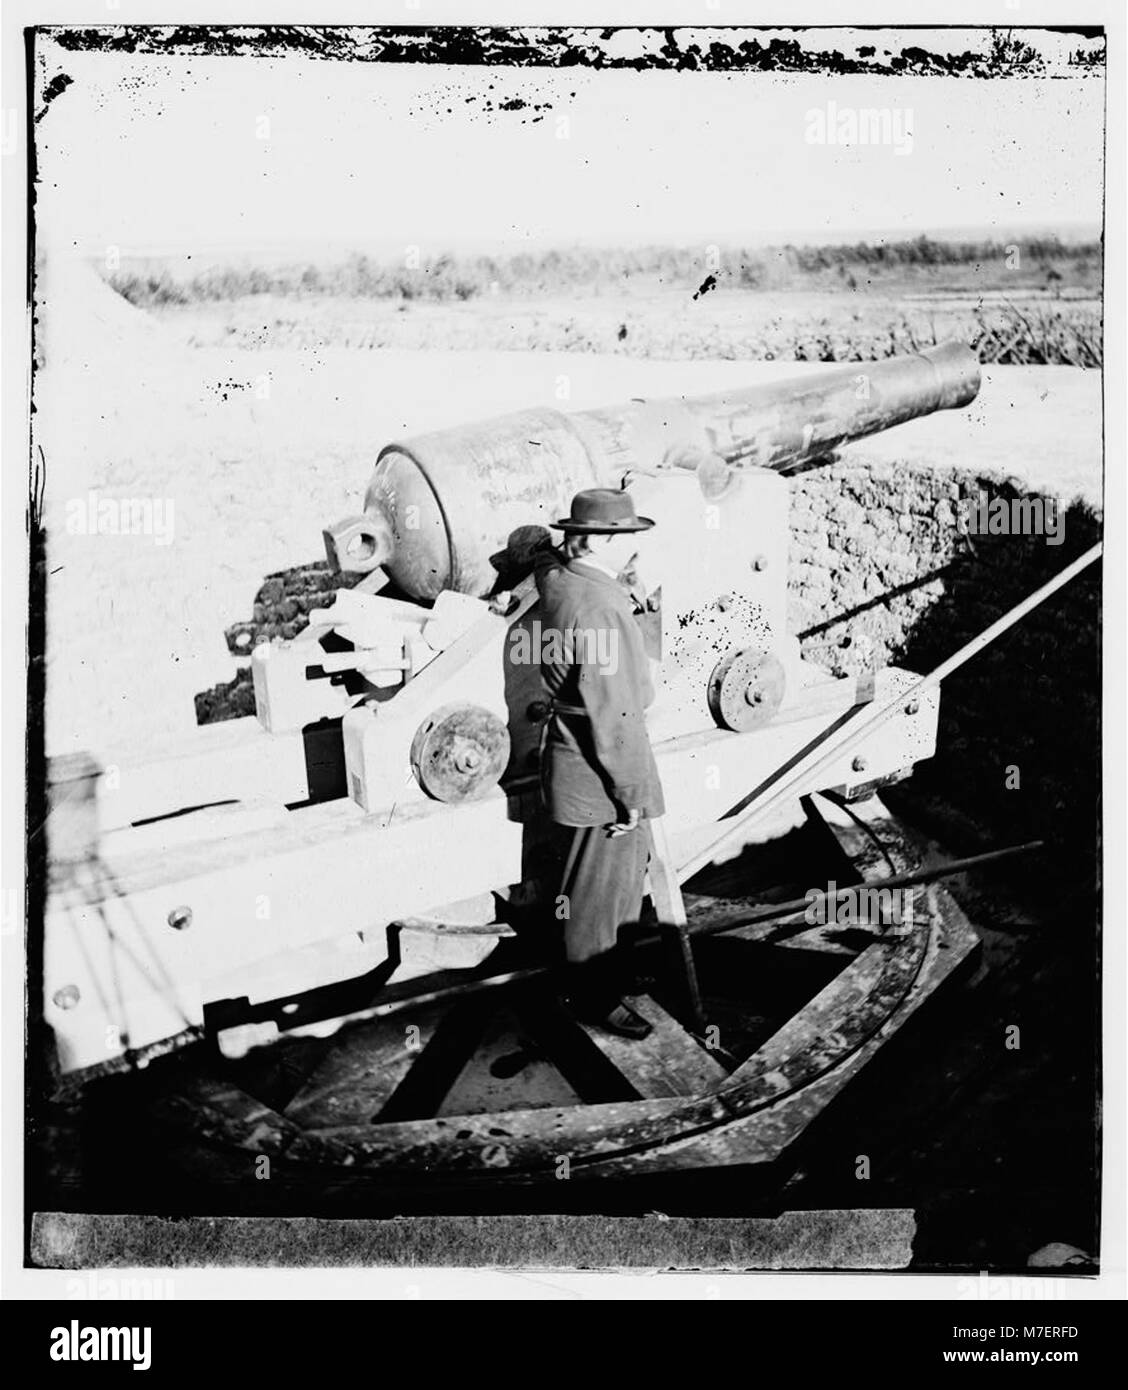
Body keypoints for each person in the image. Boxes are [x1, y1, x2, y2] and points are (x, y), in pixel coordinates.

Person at [532, 487, 665, 1040]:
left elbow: (541, 561)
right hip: (597, 774)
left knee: (606, 886)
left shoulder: (563, 580)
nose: (633, 548)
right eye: (625, 538)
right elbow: (616, 716)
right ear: (599, 541)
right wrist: (633, 795)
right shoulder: (602, 608)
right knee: (596, 897)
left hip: (568, 756)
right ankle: (592, 997)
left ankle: (614, 972)